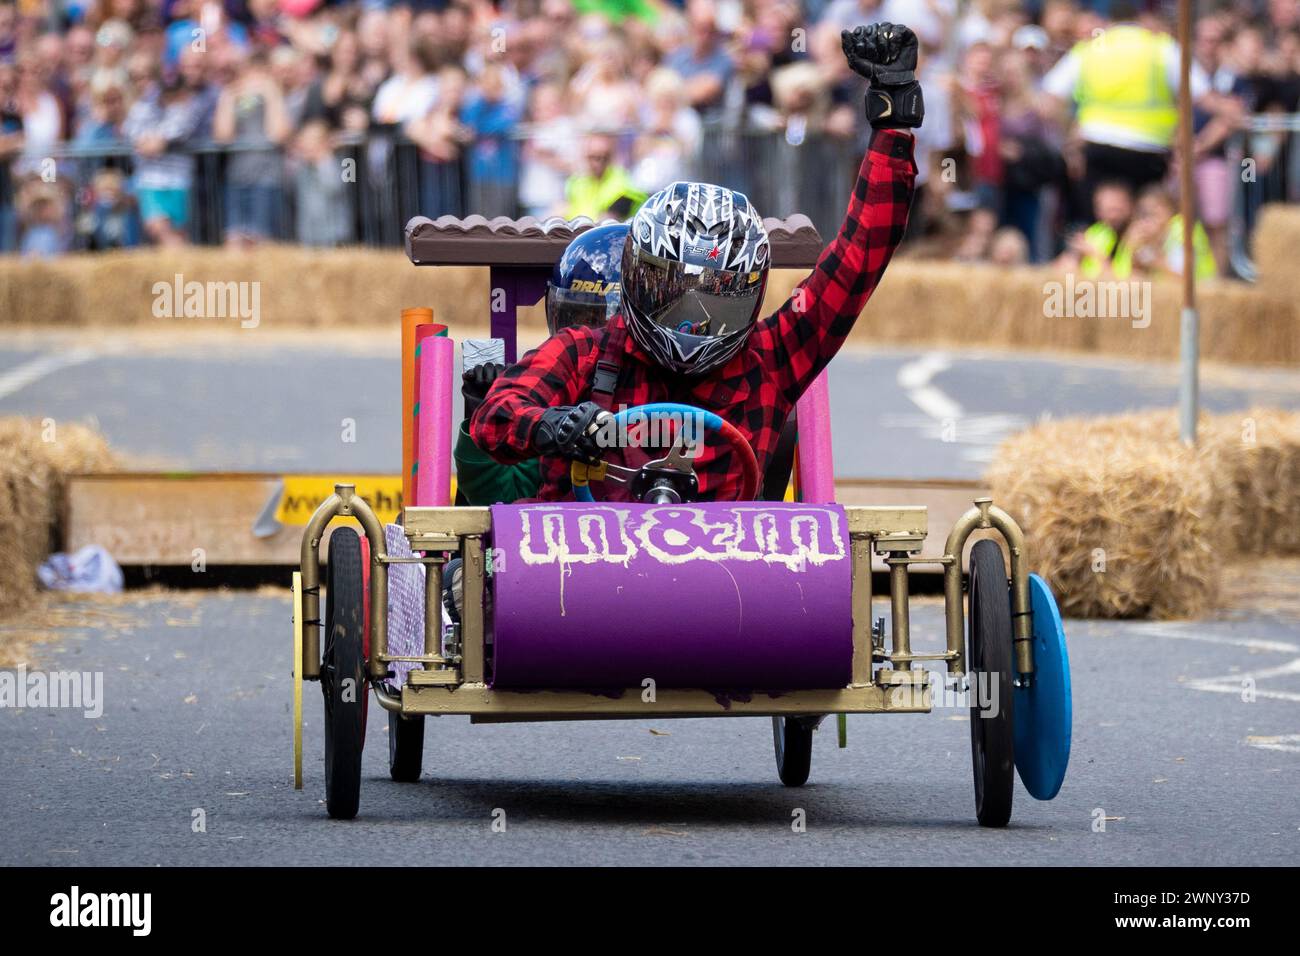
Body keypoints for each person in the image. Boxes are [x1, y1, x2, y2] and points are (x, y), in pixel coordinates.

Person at [470, 22, 921, 504]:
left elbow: (859, 259)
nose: (692, 323)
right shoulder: (584, 352)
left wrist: (893, 120)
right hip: (574, 571)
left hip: (723, 576)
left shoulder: (772, 359)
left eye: (716, 302)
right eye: (675, 295)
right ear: (638, 279)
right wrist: (552, 426)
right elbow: (494, 417)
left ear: (749, 298)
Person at [455, 224, 629, 507]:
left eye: (603, 321)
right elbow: (496, 498)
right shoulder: (542, 386)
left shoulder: (659, 379)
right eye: (578, 316)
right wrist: (478, 408)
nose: (591, 333)